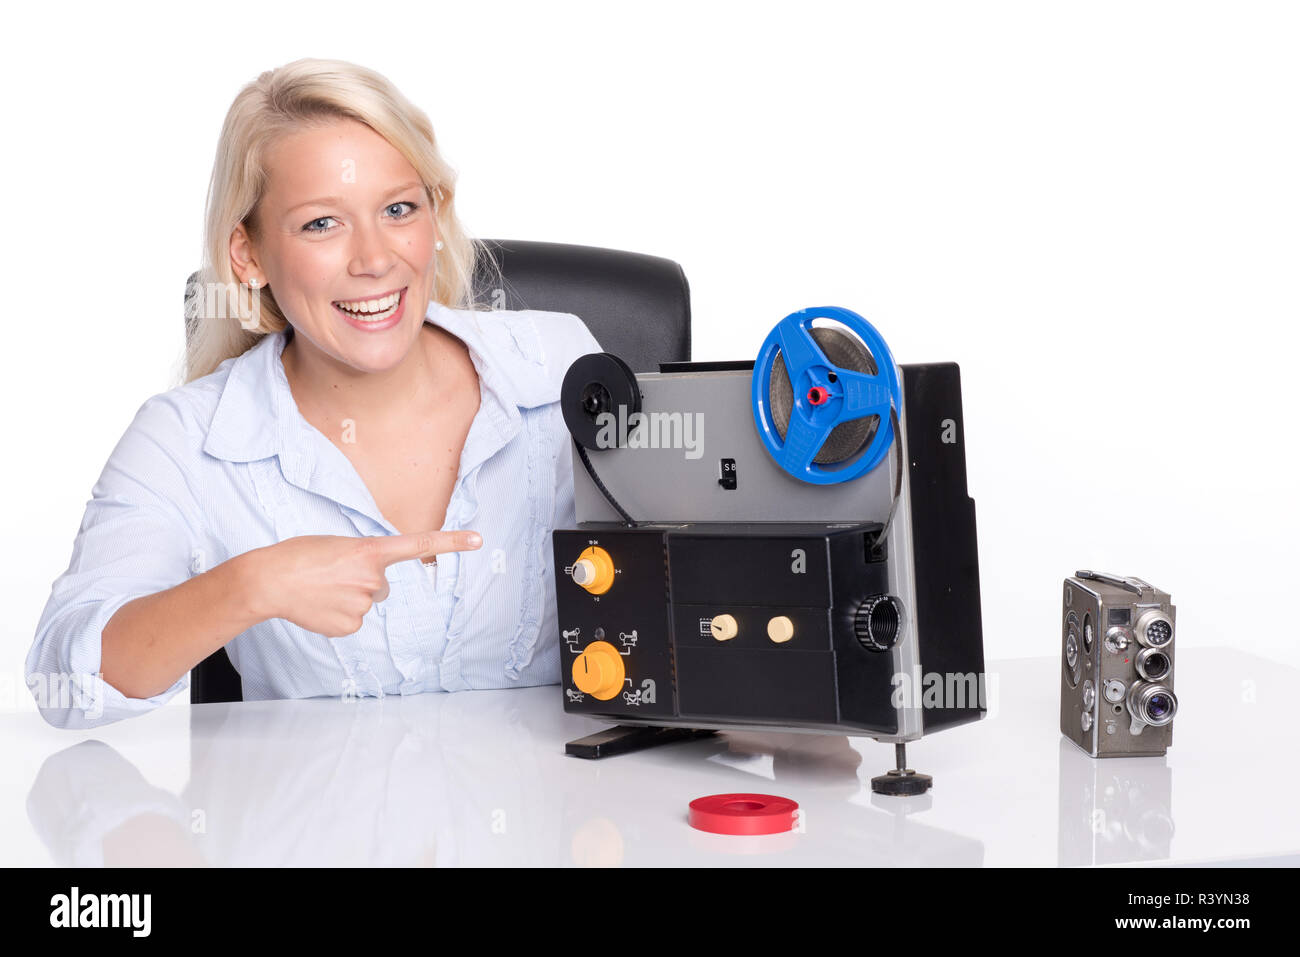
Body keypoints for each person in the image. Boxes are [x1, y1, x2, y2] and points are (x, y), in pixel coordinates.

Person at [26, 58, 601, 728]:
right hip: (318, 830)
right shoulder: (187, 437)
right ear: (248, 255)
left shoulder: (555, 365)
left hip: (550, 825)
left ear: (433, 218)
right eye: (321, 224)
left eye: (398, 209)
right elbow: (66, 683)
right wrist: (249, 585)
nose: (375, 258)